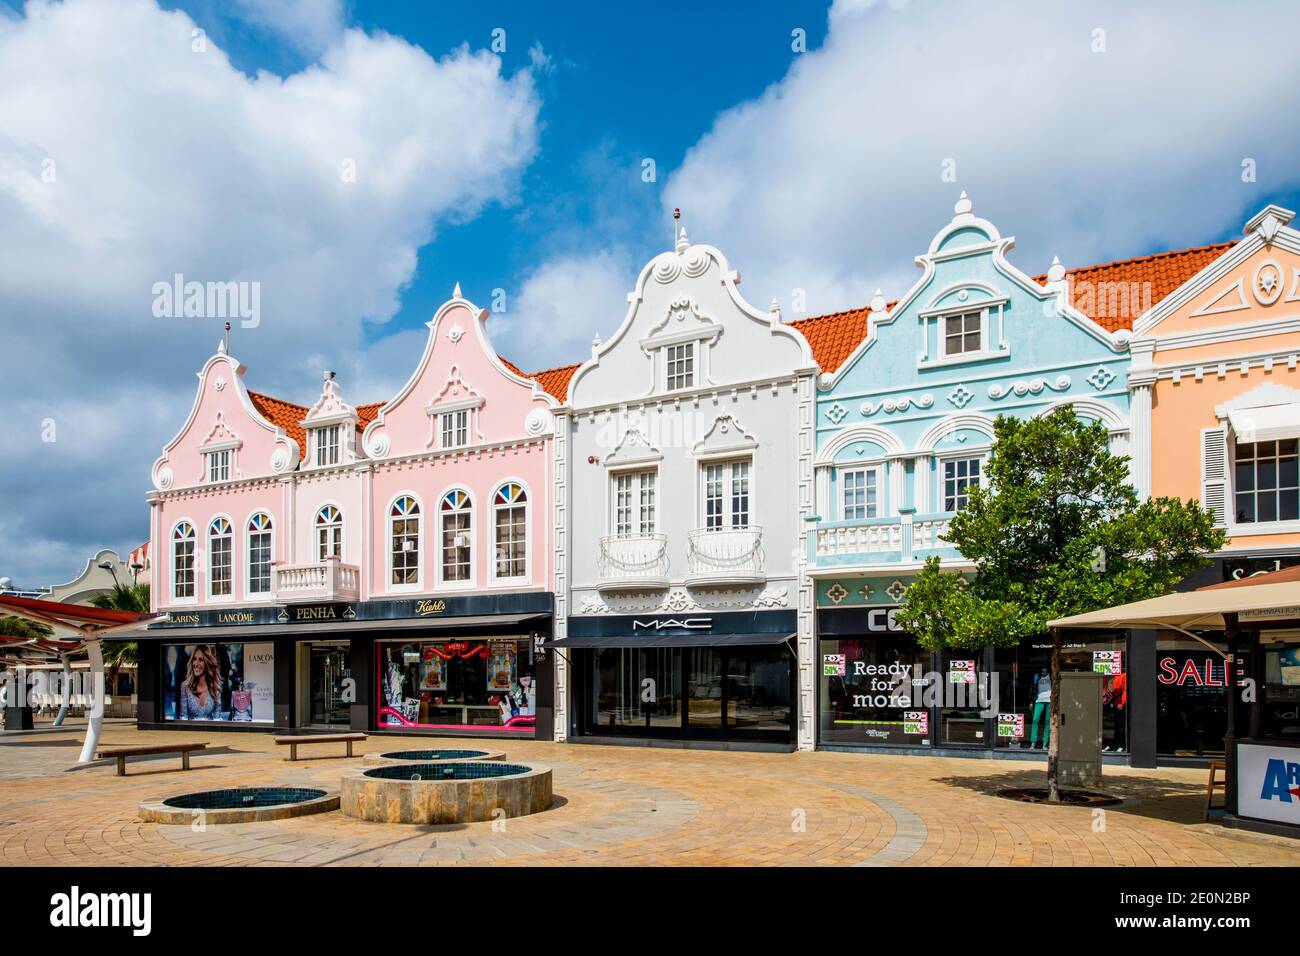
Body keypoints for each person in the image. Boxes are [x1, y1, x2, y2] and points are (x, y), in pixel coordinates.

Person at [178, 645, 223, 720]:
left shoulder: (216, 686)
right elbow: (183, 718)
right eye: (194, 659)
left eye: (201, 660)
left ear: (207, 663)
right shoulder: (185, 686)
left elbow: (217, 718)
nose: (196, 663)